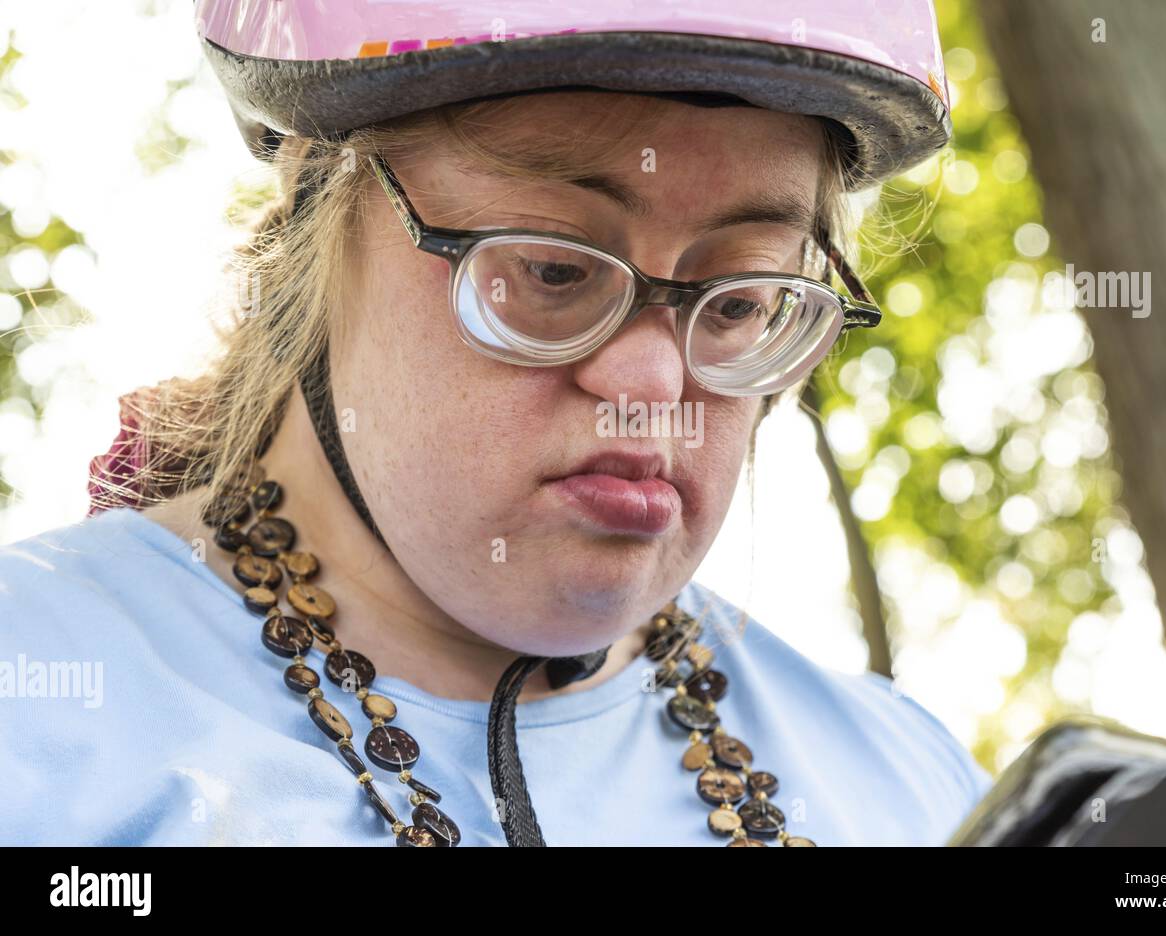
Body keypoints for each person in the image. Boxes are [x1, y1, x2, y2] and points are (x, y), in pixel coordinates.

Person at [0, 0, 991, 846]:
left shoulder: (916, 789)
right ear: (316, 203)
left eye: (735, 301)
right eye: (554, 269)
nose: (653, 379)